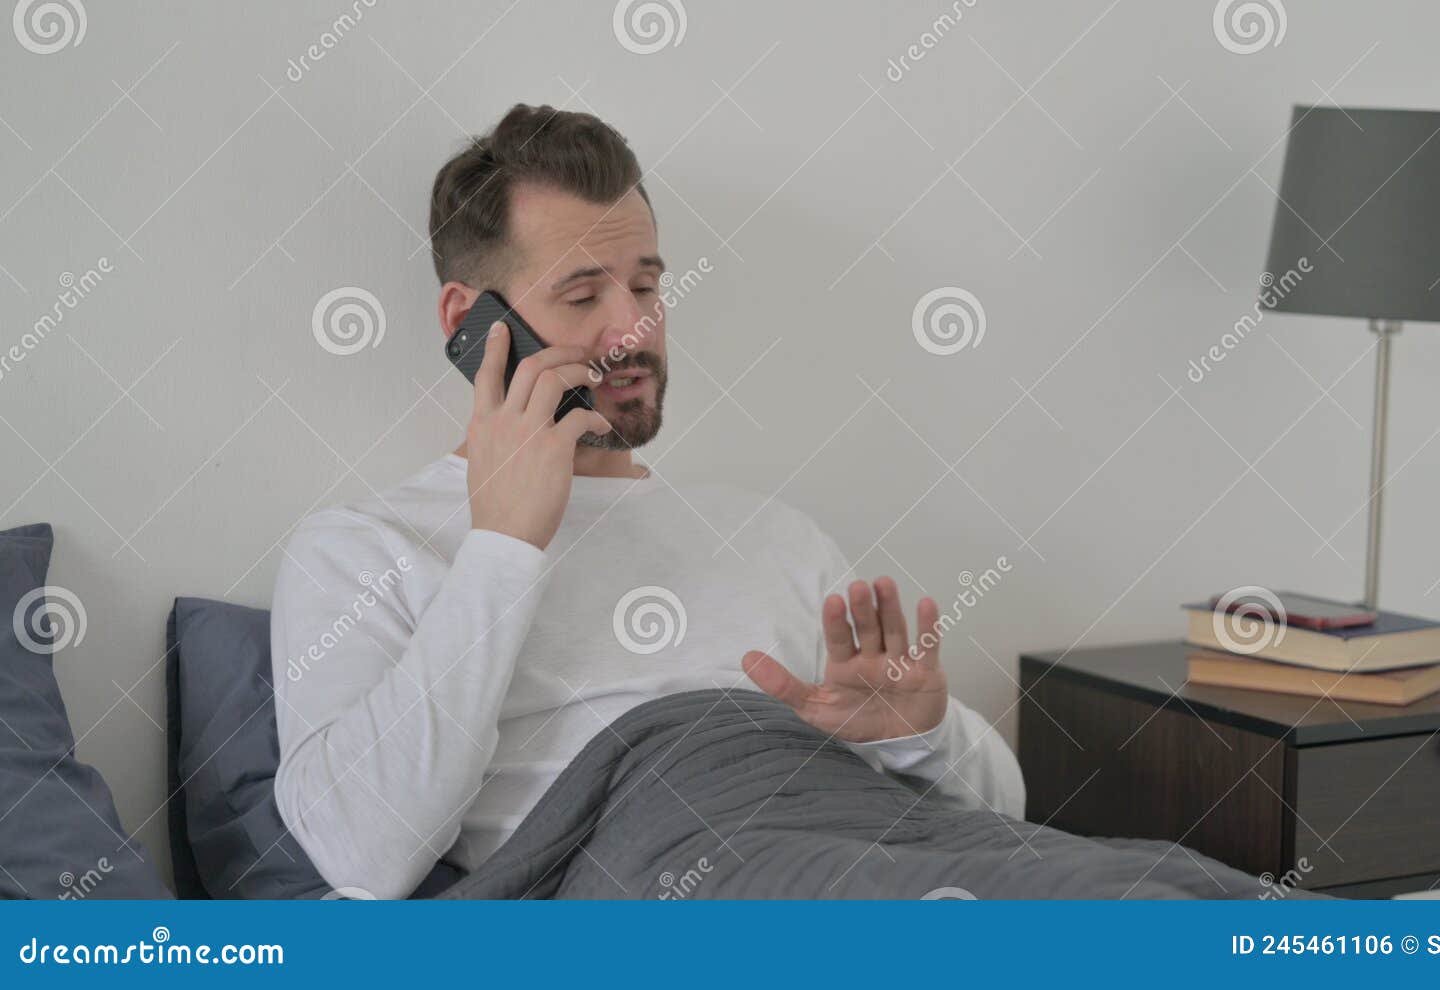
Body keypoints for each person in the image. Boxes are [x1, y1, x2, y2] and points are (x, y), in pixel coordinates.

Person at [270, 104, 1024, 899]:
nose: (633, 328)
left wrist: (920, 738)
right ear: (472, 323)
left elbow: (1006, 814)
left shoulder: (773, 536)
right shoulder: (361, 548)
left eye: (645, 285)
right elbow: (361, 860)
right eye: (583, 294)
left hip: (865, 854)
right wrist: (503, 548)